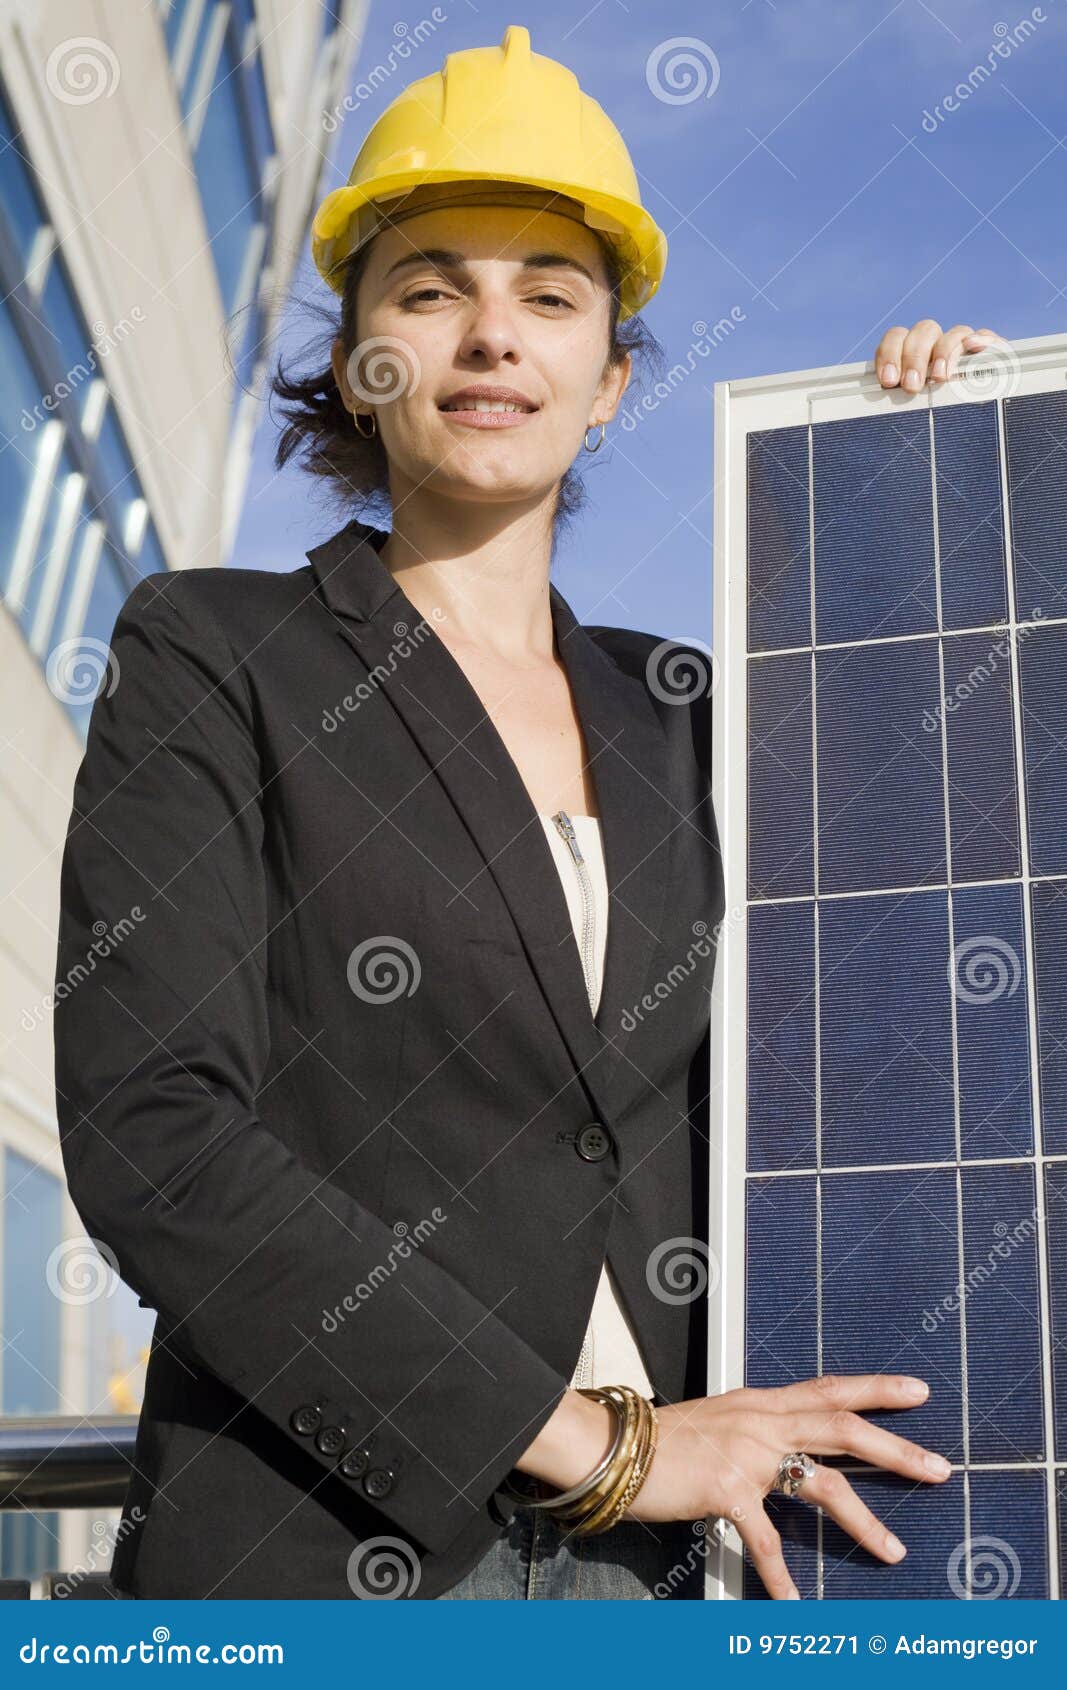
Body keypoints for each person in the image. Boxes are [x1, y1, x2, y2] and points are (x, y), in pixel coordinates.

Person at [56, 25, 1005, 1601]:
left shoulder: (695, 706)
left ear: (612, 380)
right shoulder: (215, 650)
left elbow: (931, 917)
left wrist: (948, 474)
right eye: (432, 291)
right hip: (330, 1551)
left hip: (677, 1564)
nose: (493, 336)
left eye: (551, 298)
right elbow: (155, 1128)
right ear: (359, 362)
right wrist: (596, 1444)